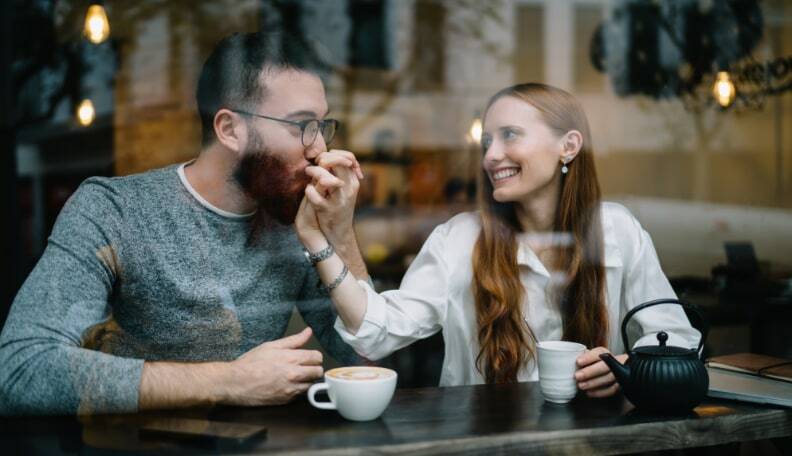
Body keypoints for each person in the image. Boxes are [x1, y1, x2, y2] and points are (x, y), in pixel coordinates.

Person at [0, 30, 369, 415]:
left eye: (323, 126)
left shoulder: (295, 220)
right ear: (229, 130)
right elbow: (22, 370)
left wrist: (340, 234)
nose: (320, 150)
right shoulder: (114, 211)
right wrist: (230, 381)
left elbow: (367, 360)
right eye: (301, 126)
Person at [295, 83, 700, 396]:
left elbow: (679, 339)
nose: (491, 155)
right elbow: (375, 331)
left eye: (510, 135)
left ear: (568, 146)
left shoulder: (617, 230)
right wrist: (319, 238)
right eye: (487, 141)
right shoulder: (459, 239)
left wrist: (628, 367)